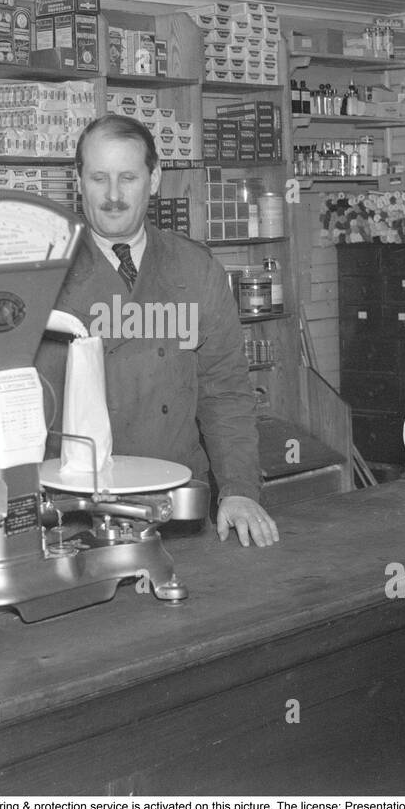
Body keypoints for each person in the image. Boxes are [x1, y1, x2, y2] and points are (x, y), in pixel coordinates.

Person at [35, 114, 280, 548]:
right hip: (77, 516)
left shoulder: (194, 268)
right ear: (78, 180)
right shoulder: (41, 269)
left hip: (179, 509)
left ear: (154, 179)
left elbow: (225, 392)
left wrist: (240, 490)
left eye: (127, 177)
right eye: (98, 178)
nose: (113, 196)